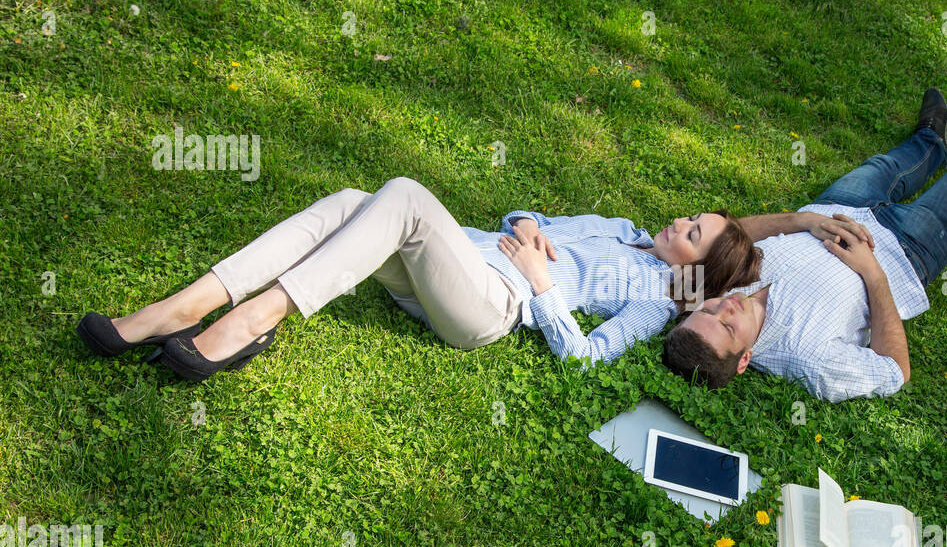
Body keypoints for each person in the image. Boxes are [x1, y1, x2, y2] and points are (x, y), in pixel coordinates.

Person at [76, 176, 763, 381]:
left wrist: (540, 281)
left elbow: (586, 360)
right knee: (352, 203)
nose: (678, 220)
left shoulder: (653, 299)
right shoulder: (618, 225)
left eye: (692, 232)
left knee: (399, 194)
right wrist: (526, 226)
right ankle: (184, 307)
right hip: (459, 261)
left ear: (694, 271)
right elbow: (528, 213)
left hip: (487, 306)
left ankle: (251, 320)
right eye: (690, 216)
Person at [662, 88, 947, 402]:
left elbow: (732, 231)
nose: (725, 308)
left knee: (888, 164)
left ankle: (932, 144)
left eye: (706, 311)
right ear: (744, 360)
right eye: (727, 328)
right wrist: (872, 272)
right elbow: (895, 370)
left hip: (834, 209)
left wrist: (804, 220)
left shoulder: (704, 288)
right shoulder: (811, 361)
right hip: (904, 249)